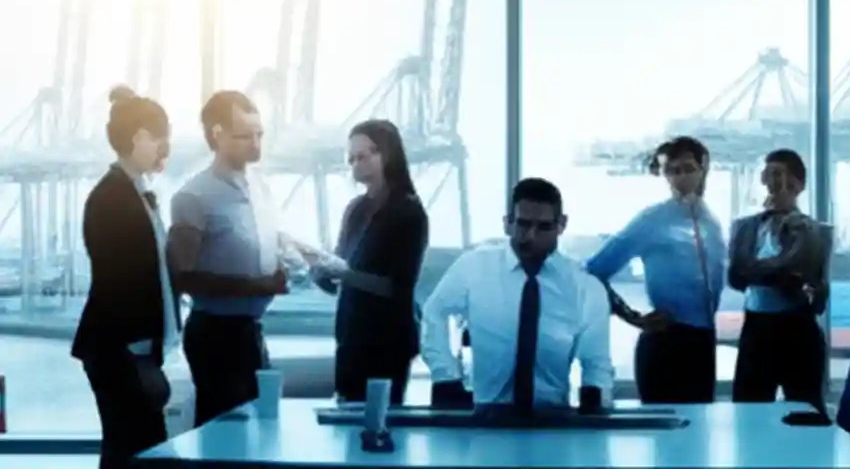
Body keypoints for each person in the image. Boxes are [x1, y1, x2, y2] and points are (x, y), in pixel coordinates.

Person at [421, 177, 613, 412]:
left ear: (561, 225)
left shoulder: (584, 288)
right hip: (484, 416)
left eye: (543, 227)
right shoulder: (475, 267)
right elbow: (434, 313)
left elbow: (596, 362)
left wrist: (595, 411)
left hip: (552, 419)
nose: (531, 236)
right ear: (507, 223)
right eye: (523, 224)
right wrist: (446, 376)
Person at [72, 87, 181, 469]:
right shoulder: (112, 199)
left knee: (135, 446)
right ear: (140, 138)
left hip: (126, 347)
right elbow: (118, 281)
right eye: (161, 138)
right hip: (121, 349)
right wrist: (139, 352)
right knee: (135, 448)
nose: (165, 149)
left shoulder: (130, 192)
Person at [166, 91, 289, 426]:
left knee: (259, 429)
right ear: (217, 135)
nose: (255, 144)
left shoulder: (260, 187)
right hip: (214, 336)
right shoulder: (194, 196)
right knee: (224, 435)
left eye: (259, 134)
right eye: (244, 136)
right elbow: (184, 277)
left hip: (251, 332)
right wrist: (258, 285)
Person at [584, 136, 726, 404]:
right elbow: (593, 271)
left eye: (687, 168)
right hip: (666, 343)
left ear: (703, 167)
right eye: (672, 171)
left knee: (697, 436)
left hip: (704, 342)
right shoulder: (653, 220)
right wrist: (632, 316)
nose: (680, 178)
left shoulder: (711, 222)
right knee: (666, 436)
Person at [313, 120, 429, 406]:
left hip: (387, 341)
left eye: (364, 155)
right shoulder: (355, 210)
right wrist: (318, 269)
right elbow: (340, 270)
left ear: (387, 154)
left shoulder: (408, 213)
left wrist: (345, 274)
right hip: (351, 338)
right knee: (347, 427)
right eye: (352, 158)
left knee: (379, 425)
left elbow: (398, 288)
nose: (356, 164)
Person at [728, 149, 832, 409]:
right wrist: (772, 272)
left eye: (778, 174)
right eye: (767, 174)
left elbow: (794, 270)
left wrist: (757, 270)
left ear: (798, 184)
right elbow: (736, 275)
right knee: (747, 409)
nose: (771, 182)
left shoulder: (813, 230)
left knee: (805, 409)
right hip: (756, 328)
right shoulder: (745, 227)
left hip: (796, 329)